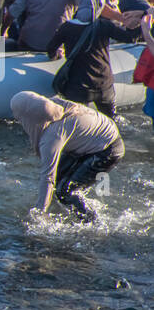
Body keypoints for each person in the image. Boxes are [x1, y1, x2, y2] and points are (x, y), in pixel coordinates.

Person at [11, 91, 123, 222]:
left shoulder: (52, 136)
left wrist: (39, 214)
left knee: (65, 192)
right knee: (58, 179)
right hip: (92, 139)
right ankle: (61, 206)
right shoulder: (52, 105)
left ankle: (93, 223)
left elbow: (48, 176)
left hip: (107, 149)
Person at [46, 0, 144, 118]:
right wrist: (142, 23)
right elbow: (130, 38)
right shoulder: (104, 25)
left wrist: (56, 56)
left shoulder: (67, 27)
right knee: (111, 120)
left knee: (77, 121)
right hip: (104, 85)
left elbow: (50, 49)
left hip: (78, 87)